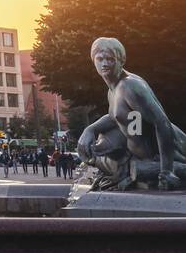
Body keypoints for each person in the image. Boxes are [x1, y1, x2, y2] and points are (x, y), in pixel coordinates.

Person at [78, 37, 186, 191]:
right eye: (100, 59)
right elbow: (115, 117)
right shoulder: (113, 90)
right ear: (93, 61)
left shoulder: (129, 86)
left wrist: (166, 170)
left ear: (121, 61)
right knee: (98, 148)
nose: (105, 63)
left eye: (110, 59)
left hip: (168, 157)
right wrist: (90, 130)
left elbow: (162, 123)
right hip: (139, 158)